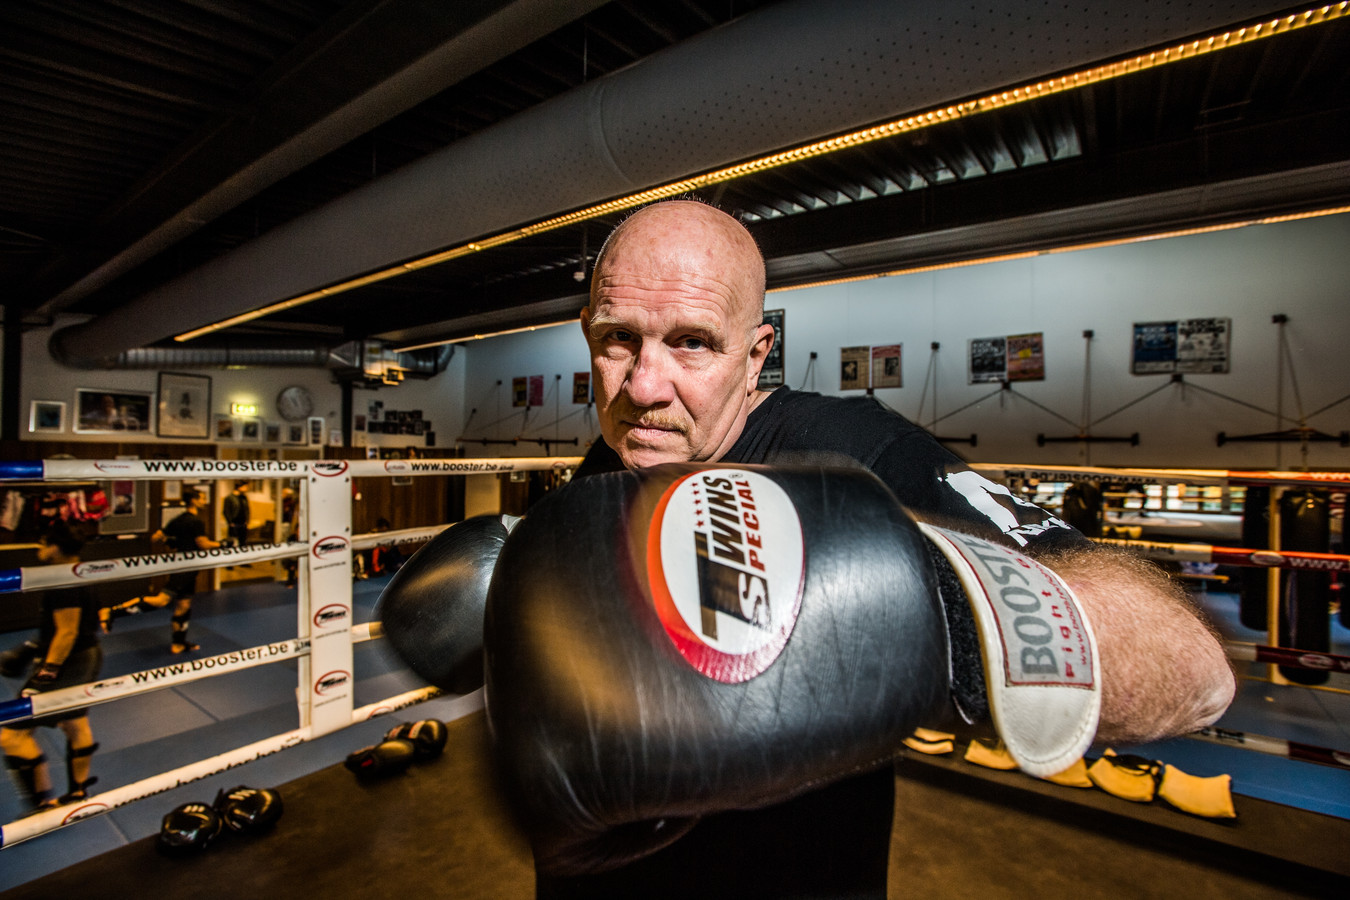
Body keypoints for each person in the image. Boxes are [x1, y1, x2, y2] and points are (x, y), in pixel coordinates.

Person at [545, 199, 1235, 897]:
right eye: (619, 339)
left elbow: (1189, 666)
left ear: (756, 356)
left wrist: (904, 627)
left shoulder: (852, 455)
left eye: (692, 342)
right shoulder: (610, 461)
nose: (643, 385)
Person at [1, 520, 102, 814]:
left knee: (11, 734)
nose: (39, 548)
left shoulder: (63, 580)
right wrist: (32, 648)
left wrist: (45, 675)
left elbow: (67, 632)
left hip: (70, 660)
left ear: (55, 548)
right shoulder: (80, 569)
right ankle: (76, 792)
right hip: (88, 654)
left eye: (43, 542)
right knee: (75, 722)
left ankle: (40, 802)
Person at [103, 487, 224, 653]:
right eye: (202, 498)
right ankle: (113, 611)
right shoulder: (196, 521)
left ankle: (178, 643)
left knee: (184, 604)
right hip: (185, 567)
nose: (204, 501)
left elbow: (155, 538)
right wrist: (223, 545)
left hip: (186, 566)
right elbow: (203, 544)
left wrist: (172, 540)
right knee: (162, 600)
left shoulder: (178, 519)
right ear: (194, 500)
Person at [223, 480, 251, 546]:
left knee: (243, 542)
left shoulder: (244, 498)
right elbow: (226, 511)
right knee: (233, 542)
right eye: (245, 487)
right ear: (239, 487)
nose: (247, 489)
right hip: (234, 523)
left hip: (243, 523)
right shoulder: (229, 498)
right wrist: (230, 522)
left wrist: (247, 521)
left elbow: (247, 510)